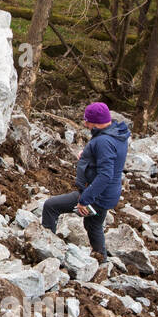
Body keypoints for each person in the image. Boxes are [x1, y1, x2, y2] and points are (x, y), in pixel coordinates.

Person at [41, 102, 134, 268]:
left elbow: (105, 175)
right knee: (93, 225)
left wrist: (85, 199)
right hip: (109, 193)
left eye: (87, 120)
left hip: (97, 194)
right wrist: (88, 156)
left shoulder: (104, 141)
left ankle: (46, 251)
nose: (84, 124)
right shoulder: (116, 134)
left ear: (96, 122)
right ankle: (102, 261)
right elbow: (111, 157)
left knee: (51, 206)